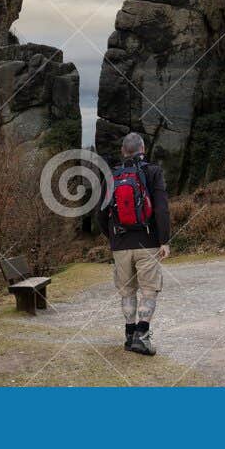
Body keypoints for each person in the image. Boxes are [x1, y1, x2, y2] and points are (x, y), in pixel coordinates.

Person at [98, 132, 171, 355]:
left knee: (127, 291)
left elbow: (100, 213)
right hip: (147, 241)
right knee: (149, 290)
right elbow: (161, 208)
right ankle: (142, 335)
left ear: (123, 151)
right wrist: (163, 240)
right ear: (143, 149)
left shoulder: (111, 176)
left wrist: (112, 238)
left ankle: (129, 336)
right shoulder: (153, 171)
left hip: (120, 243)